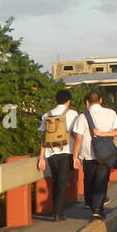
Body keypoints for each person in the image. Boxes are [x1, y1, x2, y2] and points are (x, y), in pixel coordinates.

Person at [71, 91, 117, 219]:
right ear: (100, 100)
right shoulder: (110, 113)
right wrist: (102, 134)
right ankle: (98, 208)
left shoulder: (82, 117)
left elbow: (78, 138)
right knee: (101, 180)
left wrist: (75, 157)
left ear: (87, 102)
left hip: (88, 154)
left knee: (89, 180)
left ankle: (90, 203)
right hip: (105, 154)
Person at [37, 89, 79, 221]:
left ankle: (57, 210)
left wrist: (41, 157)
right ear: (68, 101)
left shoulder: (46, 115)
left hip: (51, 153)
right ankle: (58, 213)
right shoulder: (72, 113)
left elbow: (43, 137)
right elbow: (76, 134)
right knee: (62, 182)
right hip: (67, 151)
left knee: (56, 181)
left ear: (56, 100)